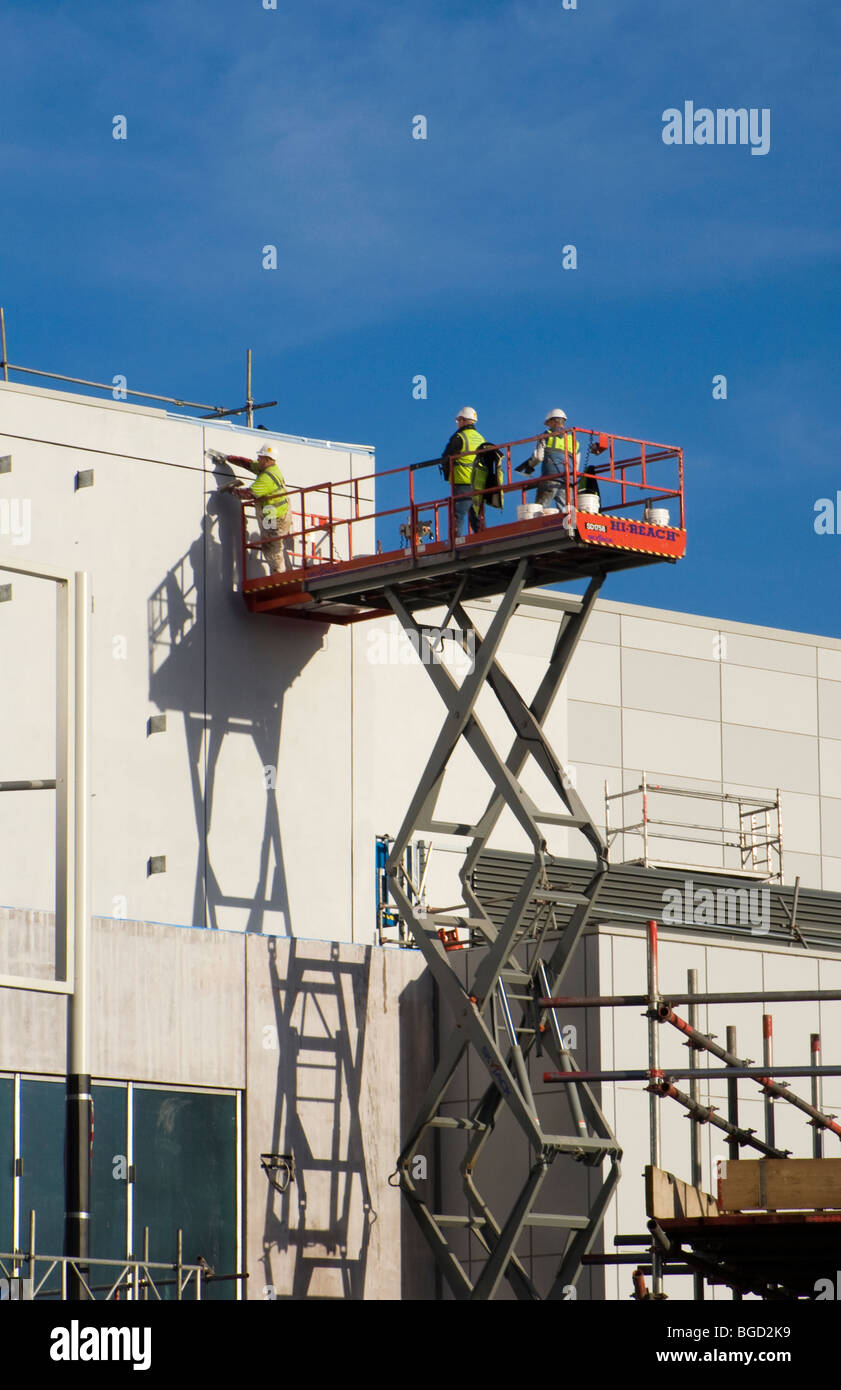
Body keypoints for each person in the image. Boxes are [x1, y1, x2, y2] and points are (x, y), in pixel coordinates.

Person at [213, 443, 294, 573]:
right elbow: (247, 463)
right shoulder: (268, 468)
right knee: (275, 544)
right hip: (278, 511)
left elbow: (249, 494)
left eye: (260, 457)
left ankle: (279, 575)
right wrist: (228, 457)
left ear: (267, 460)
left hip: (273, 515)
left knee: (271, 545)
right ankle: (282, 571)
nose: (258, 460)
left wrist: (232, 490)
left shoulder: (267, 478)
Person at [516, 408, 598, 511]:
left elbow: (538, 457)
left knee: (539, 510)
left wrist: (530, 465)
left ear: (552, 421)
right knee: (567, 512)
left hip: (550, 478)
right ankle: (569, 526)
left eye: (548, 422)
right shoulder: (574, 441)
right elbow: (576, 465)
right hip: (568, 481)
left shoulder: (546, 436)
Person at [440, 407, 485, 538]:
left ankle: (456, 542)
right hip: (479, 484)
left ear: (464, 420)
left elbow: (446, 457)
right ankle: (482, 539)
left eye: (458, 420)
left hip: (463, 482)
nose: (458, 423)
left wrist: (448, 476)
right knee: (477, 517)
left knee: (458, 515)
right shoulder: (480, 438)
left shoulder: (459, 437)